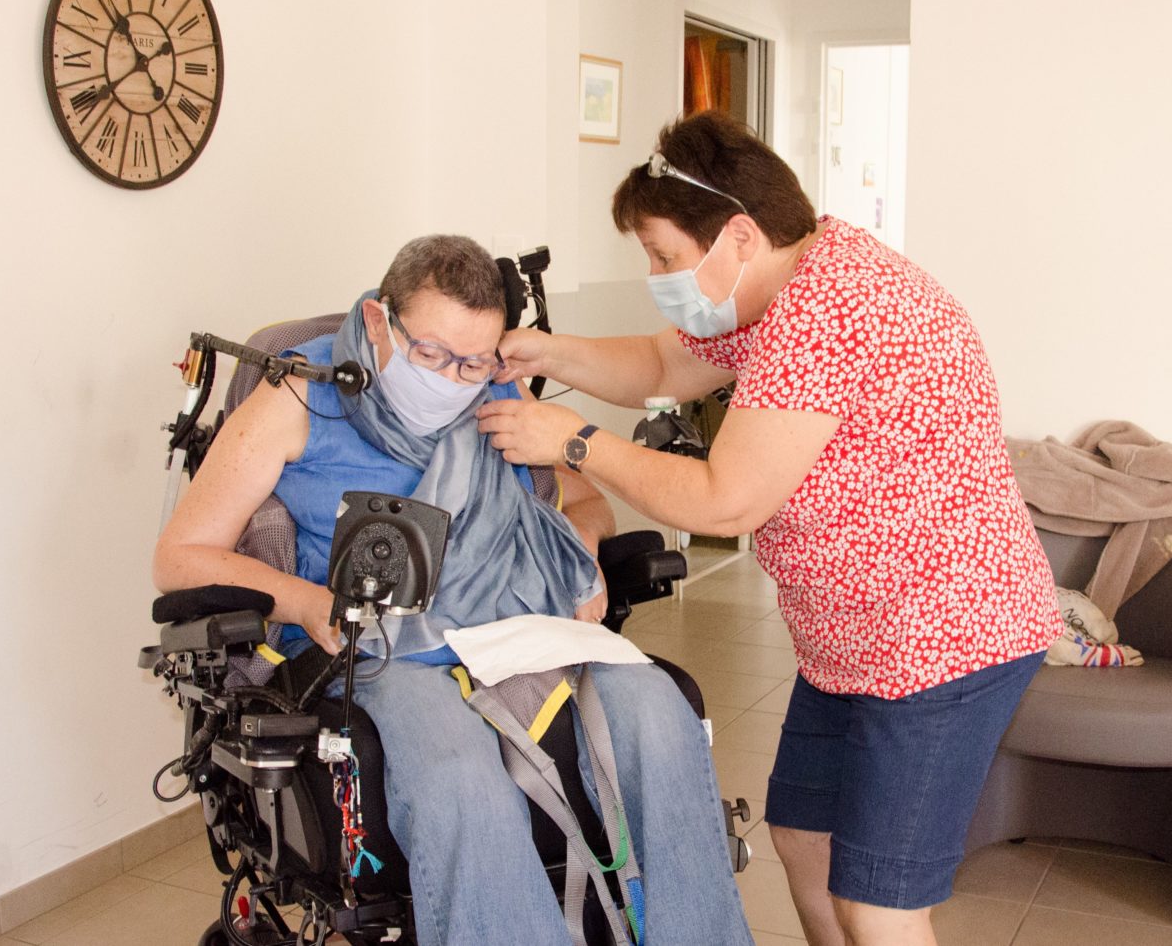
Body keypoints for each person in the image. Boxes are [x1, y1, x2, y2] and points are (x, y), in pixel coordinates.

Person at [478, 112, 1063, 946]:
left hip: (940, 637)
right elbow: (663, 365)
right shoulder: (795, 273)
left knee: (880, 903)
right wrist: (549, 353)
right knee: (804, 841)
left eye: (664, 257)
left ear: (740, 234)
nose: (656, 276)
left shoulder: (826, 310)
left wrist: (571, 440)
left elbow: (726, 502)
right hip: (853, 639)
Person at [154, 234, 751, 946]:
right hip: (376, 647)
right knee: (458, 777)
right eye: (432, 355)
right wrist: (303, 600)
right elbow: (181, 558)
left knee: (659, 716)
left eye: (473, 361)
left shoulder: (495, 393)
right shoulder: (297, 398)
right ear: (379, 322)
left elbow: (586, 506)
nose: (453, 378)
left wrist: (579, 557)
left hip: (517, 629)